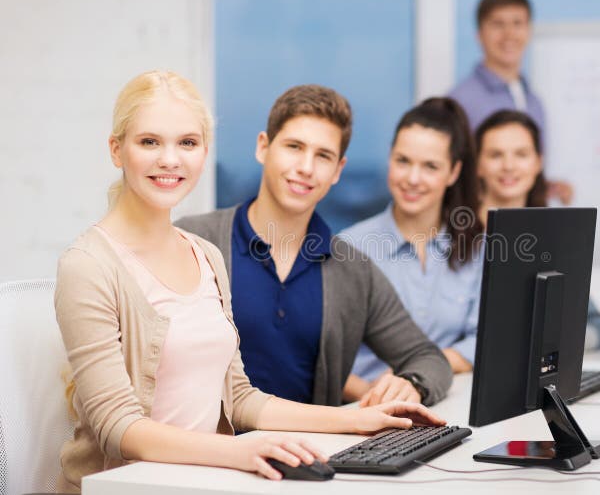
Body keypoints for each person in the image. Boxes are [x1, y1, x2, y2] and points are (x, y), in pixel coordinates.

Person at [54, 71, 446, 492]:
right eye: (149, 141)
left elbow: (238, 395)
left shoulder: (203, 254)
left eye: (187, 143)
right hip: (138, 483)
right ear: (117, 149)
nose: (169, 159)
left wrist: (356, 420)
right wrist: (243, 450)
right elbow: (116, 425)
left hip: (219, 477)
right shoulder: (91, 263)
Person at [176, 85, 453, 410]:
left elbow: (428, 358)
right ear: (263, 147)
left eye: (323, 156)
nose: (306, 167)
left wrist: (412, 384)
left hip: (315, 441)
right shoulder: (194, 239)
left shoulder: (352, 270)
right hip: (204, 442)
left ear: (337, 170)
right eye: (294, 147)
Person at [339, 98, 484, 405]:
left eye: (430, 166)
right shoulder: (348, 248)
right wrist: (377, 396)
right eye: (403, 161)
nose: (412, 178)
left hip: (449, 403)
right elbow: (319, 360)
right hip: (366, 410)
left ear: (453, 172)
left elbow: (484, 339)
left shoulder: (476, 247)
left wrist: (422, 373)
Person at [475, 109, 600, 351]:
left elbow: (598, 327)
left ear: (538, 162)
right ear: (478, 164)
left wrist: (543, 345)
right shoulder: (456, 234)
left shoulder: (548, 240)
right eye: (495, 155)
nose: (508, 166)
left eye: (521, 154)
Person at [448, 0, 573, 205]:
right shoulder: (460, 103)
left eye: (517, 23)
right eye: (498, 24)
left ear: (529, 31)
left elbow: (522, 175)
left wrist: (546, 186)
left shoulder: (534, 102)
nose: (509, 35)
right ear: (479, 34)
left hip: (527, 221)